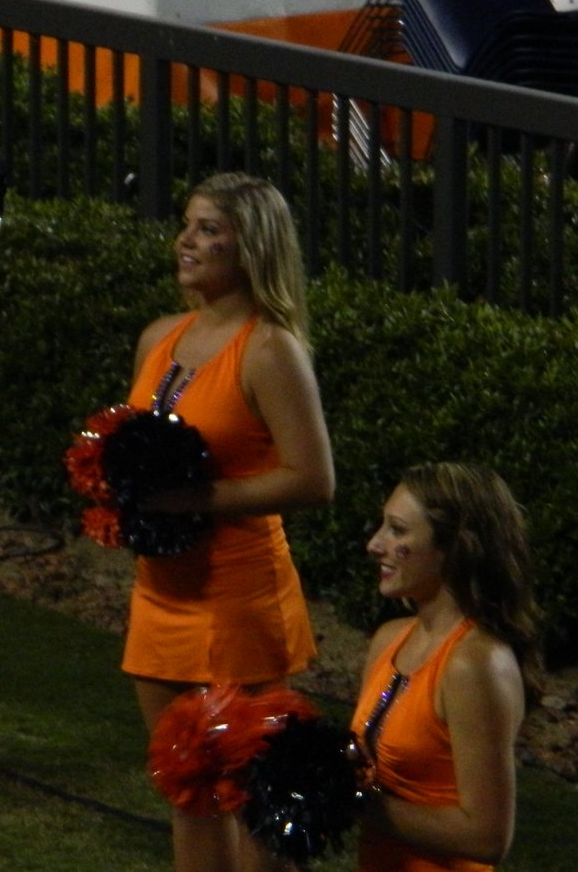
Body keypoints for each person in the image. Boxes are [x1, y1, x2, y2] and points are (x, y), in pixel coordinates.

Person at [121, 172, 335, 872]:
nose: (186, 240)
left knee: (257, 803)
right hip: (160, 592)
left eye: (209, 229)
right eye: (187, 224)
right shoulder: (160, 336)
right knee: (187, 787)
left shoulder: (270, 350)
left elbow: (312, 478)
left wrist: (193, 501)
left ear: (252, 249)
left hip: (237, 600)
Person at [352, 463, 542, 872]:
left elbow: (486, 837)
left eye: (398, 530)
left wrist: (353, 802)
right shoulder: (389, 639)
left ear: (454, 547)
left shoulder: (474, 665)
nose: (375, 544)